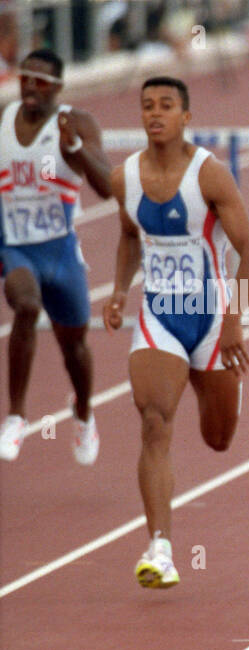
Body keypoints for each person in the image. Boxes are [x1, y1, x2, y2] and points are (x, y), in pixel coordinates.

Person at [103, 76, 249, 588]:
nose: (155, 114)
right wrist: (119, 291)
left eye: (166, 106)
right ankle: (160, 548)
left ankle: (213, 386)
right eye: (147, 105)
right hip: (159, 318)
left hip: (214, 318)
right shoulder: (123, 178)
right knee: (154, 421)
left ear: (186, 116)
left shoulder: (209, 175)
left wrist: (239, 322)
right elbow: (130, 237)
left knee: (218, 439)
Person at [0, 49, 112, 463]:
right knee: (26, 306)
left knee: (75, 349)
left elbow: (108, 187)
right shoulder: (3, 119)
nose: (31, 88)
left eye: (41, 82)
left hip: (61, 253)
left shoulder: (76, 123)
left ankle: (82, 413)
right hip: (15, 247)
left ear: (59, 88)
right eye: (26, 78)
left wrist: (77, 149)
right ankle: (15, 416)